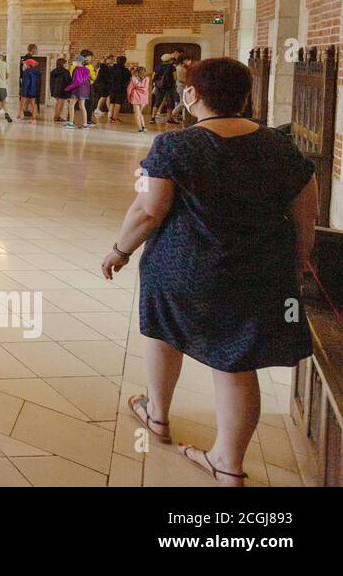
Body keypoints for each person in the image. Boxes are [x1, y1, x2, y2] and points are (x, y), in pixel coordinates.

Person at [103, 57, 316, 485]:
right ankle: (228, 463)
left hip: (185, 268)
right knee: (236, 362)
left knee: (164, 333)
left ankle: (158, 417)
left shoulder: (174, 146)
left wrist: (119, 250)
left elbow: (149, 210)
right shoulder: (280, 146)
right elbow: (305, 213)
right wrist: (296, 264)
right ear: (245, 97)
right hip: (258, 271)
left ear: (190, 95)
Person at [64, 54, 92, 129]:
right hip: (84, 91)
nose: (74, 62)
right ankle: (85, 124)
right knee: (82, 106)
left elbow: (77, 82)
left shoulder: (78, 69)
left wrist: (68, 88)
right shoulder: (87, 70)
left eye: (76, 61)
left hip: (77, 90)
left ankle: (70, 123)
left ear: (80, 62)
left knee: (71, 105)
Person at [152, 53, 177, 123]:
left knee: (157, 101)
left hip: (159, 86)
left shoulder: (158, 67)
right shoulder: (172, 67)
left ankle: (153, 118)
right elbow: (175, 78)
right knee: (170, 102)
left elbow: (153, 77)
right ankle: (169, 119)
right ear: (170, 60)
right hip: (169, 87)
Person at [107, 54, 130, 123]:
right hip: (121, 89)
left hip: (112, 88)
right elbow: (128, 80)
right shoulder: (126, 71)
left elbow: (108, 78)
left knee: (112, 102)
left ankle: (110, 117)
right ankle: (114, 118)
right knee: (118, 103)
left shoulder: (111, 69)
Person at [127, 65, 150, 132]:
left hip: (136, 97)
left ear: (137, 72)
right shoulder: (147, 79)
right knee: (140, 113)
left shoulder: (133, 79)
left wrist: (129, 98)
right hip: (144, 98)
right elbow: (146, 88)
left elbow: (129, 89)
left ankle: (140, 128)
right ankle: (144, 126)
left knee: (137, 113)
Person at [49, 57, 71, 121]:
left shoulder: (53, 71)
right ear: (63, 64)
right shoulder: (65, 71)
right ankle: (57, 117)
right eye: (65, 63)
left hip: (55, 90)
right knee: (60, 104)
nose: (66, 65)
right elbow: (68, 81)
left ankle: (56, 116)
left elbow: (51, 82)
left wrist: (52, 91)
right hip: (63, 90)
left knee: (58, 103)